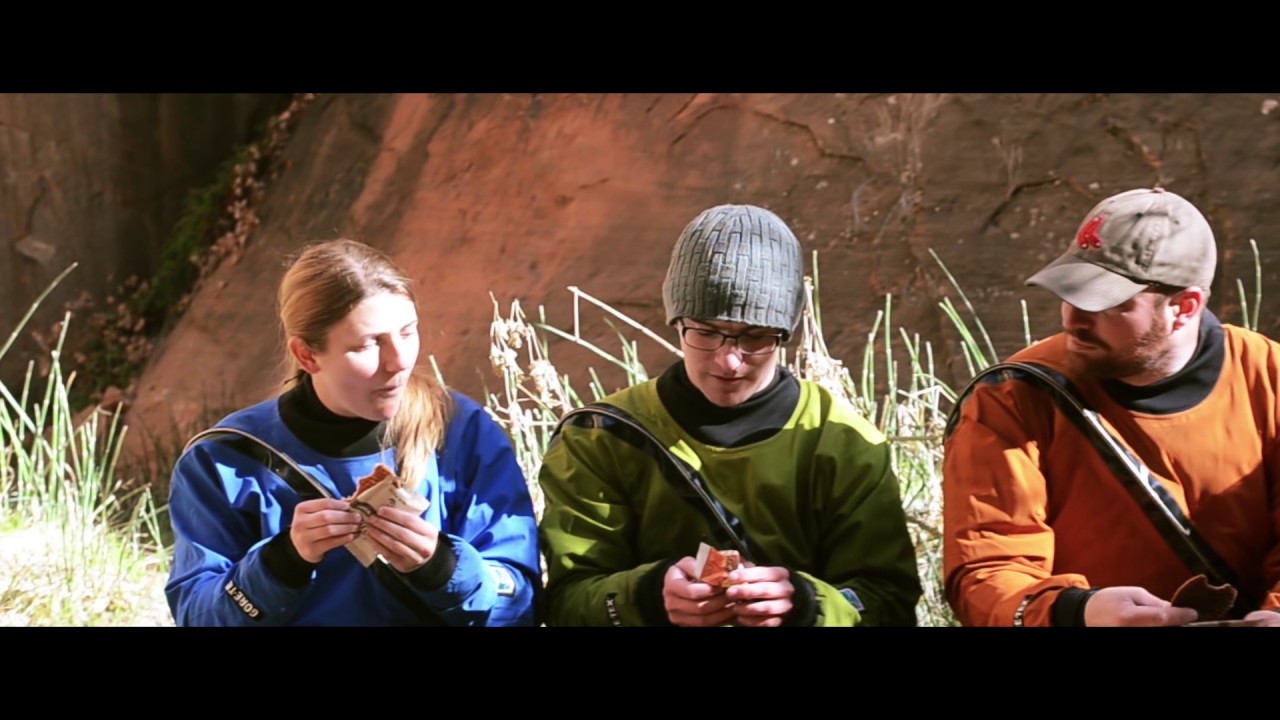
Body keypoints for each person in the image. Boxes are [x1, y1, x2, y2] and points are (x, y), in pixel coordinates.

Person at [537, 203, 923, 627]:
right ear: (677, 322)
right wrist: (647, 597)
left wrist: (808, 606)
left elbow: (889, 603)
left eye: (754, 337)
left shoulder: (843, 443)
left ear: (784, 334)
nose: (729, 361)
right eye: (706, 333)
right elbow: (566, 604)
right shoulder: (601, 437)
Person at [943, 187, 1280, 627]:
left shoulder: (1269, 379)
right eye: (1070, 292)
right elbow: (987, 572)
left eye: (1104, 302)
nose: (1073, 319)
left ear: (1184, 307)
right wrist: (1075, 612)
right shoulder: (1011, 399)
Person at [165, 238, 541, 626]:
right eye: (368, 344)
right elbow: (197, 615)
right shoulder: (226, 460)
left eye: (408, 332)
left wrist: (443, 569)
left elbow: (521, 600)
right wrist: (282, 561)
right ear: (307, 355)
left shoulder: (461, 433)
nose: (398, 361)